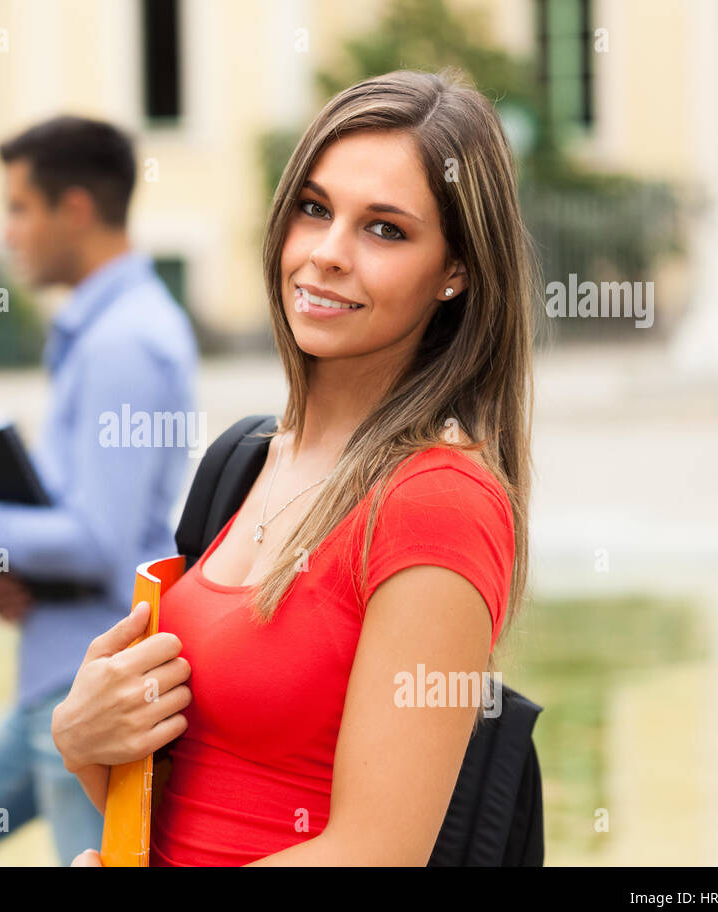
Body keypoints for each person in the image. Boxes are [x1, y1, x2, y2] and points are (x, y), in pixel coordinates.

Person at [51, 68, 537, 865]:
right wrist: (79, 740)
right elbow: (200, 800)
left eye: (386, 229)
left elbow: (375, 854)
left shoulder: (436, 500)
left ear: (457, 272)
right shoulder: (244, 463)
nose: (327, 254)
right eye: (314, 209)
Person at [0, 116, 198, 865]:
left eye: (19, 207)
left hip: (91, 688)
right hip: (60, 674)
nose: (8, 230)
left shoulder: (124, 342)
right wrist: (2, 565)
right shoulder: (105, 329)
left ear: (75, 210)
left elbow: (95, 542)